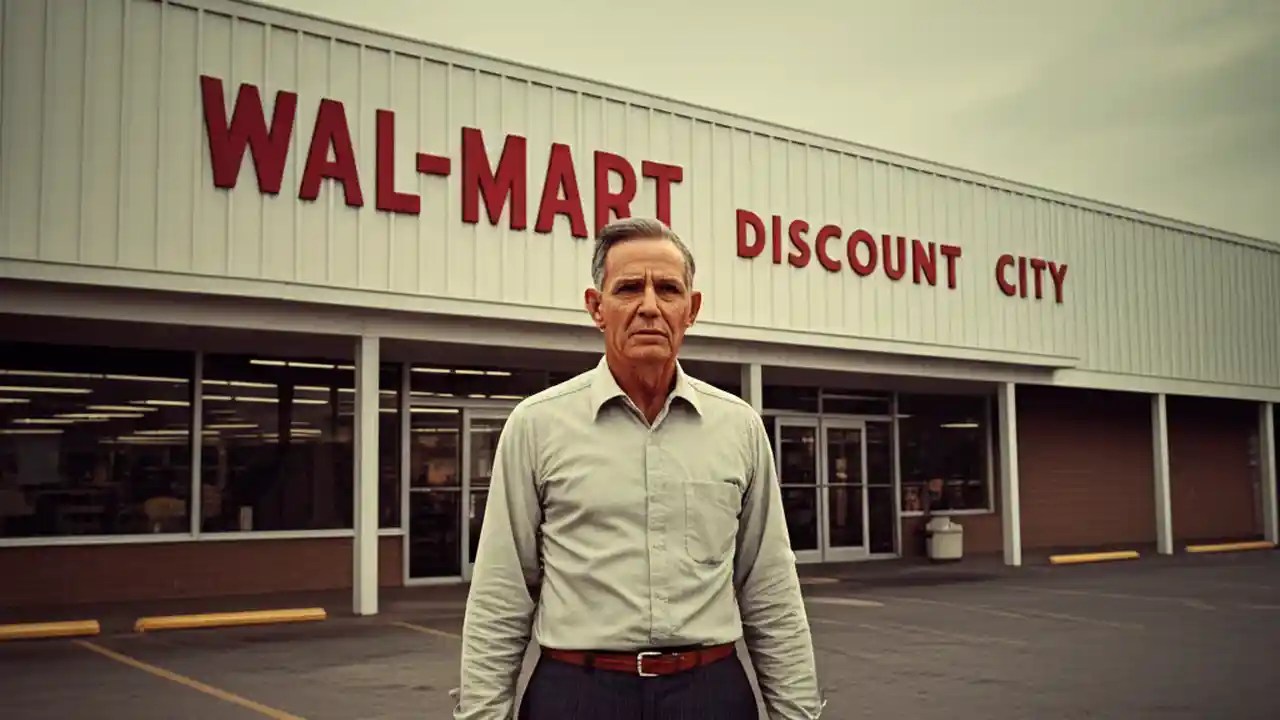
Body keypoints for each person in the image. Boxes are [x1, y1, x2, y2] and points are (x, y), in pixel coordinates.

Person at [452, 217, 825, 719]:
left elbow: (770, 586)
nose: (650, 306)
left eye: (668, 289)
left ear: (691, 309)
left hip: (709, 694)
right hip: (578, 696)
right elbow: (501, 592)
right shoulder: (536, 426)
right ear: (596, 307)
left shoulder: (738, 428)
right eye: (629, 288)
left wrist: (797, 713)